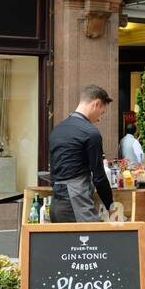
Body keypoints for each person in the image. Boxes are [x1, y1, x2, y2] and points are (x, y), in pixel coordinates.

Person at [48, 86, 114, 222]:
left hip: (56, 203)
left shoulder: (57, 130)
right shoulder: (90, 133)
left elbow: (54, 171)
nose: (99, 119)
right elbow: (99, 176)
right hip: (77, 202)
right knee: (94, 241)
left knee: (60, 243)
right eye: (101, 113)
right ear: (96, 104)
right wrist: (110, 205)